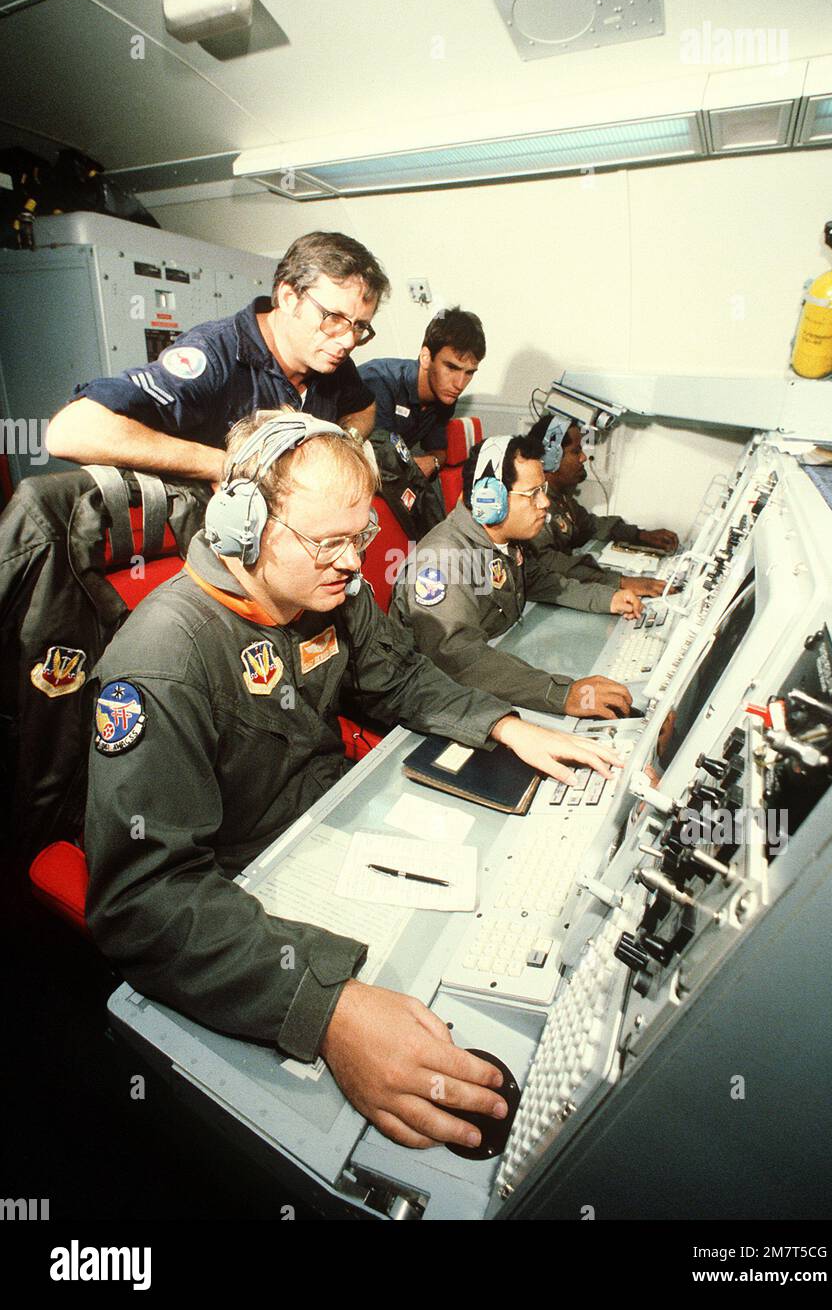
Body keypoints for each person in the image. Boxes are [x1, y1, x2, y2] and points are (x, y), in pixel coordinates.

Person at [84, 409, 622, 1152]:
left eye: (360, 538)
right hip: (244, 892)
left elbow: (398, 677)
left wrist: (503, 723)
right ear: (242, 524)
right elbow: (141, 901)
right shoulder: (164, 660)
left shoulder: (328, 594)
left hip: (336, 824)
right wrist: (324, 1008)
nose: (351, 563)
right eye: (327, 542)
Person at [45, 232, 388, 484]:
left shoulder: (330, 358)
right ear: (288, 297)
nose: (347, 341)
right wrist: (226, 464)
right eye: (334, 318)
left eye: (359, 327)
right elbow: (71, 431)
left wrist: (344, 444)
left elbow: (364, 407)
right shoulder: (214, 355)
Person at [389, 433, 639, 720]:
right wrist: (561, 693)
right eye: (532, 493)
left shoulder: (501, 541)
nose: (545, 502)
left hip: (494, 662)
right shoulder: (443, 561)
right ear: (489, 499)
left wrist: (609, 598)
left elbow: (538, 580)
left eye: (542, 489)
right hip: (437, 700)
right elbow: (460, 659)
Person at [358, 307, 485, 538]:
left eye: (469, 373)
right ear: (426, 357)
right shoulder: (380, 382)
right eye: (452, 367)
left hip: (391, 480)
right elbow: (384, 461)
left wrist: (433, 462)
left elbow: (440, 452)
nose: (459, 383)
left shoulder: (445, 397)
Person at [527, 416, 679, 594]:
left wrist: (640, 535)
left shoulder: (560, 497)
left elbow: (590, 525)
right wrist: (620, 581)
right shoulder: (535, 505)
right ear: (550, 458)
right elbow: (550, 563)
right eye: (576, 451)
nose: (583, 458)